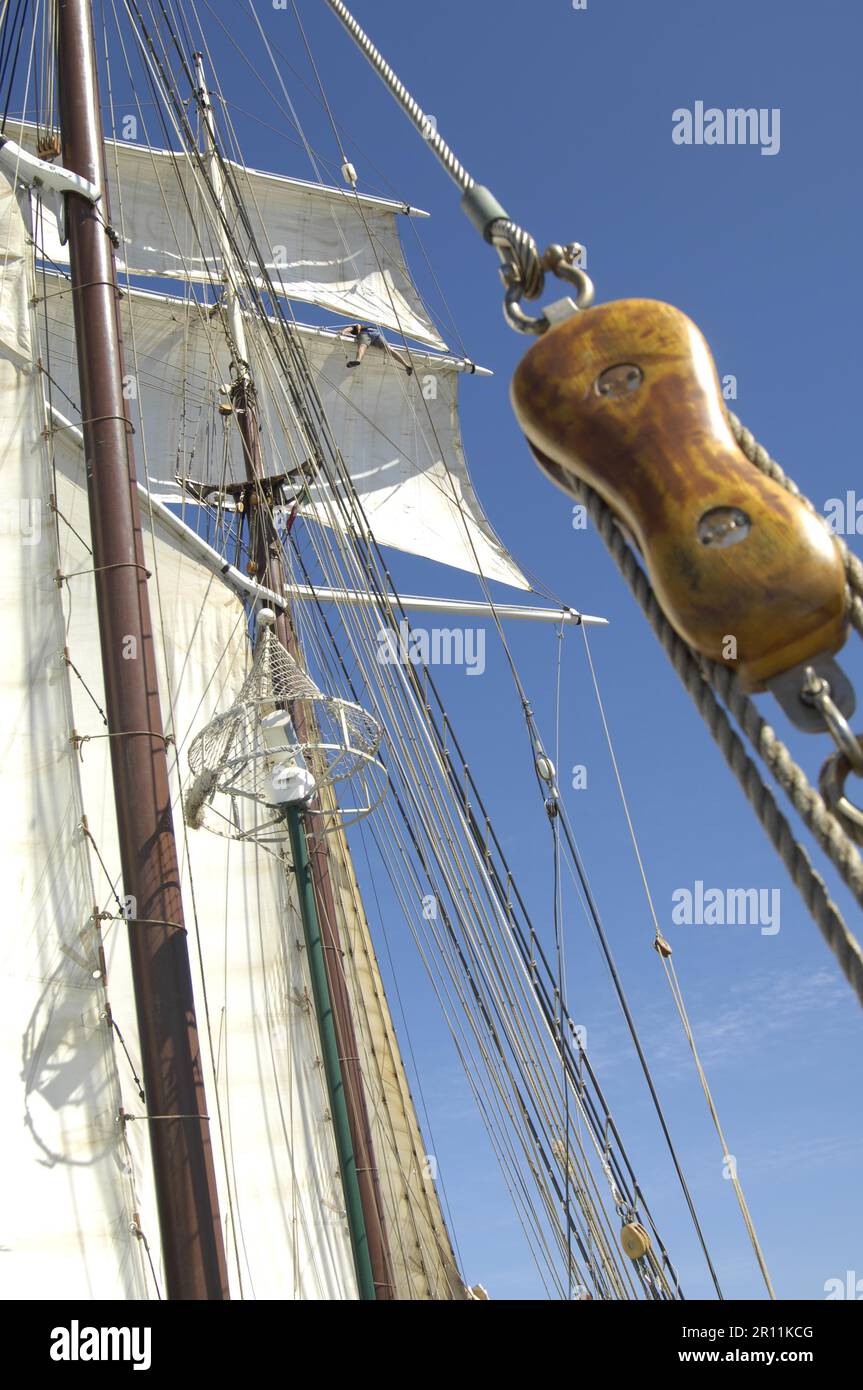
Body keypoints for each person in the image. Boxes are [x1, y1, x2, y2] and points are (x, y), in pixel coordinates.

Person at [340, 322, 413, 375]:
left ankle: (358, 360)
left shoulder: (357, 326)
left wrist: (343, 332)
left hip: (366, 333)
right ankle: (406, 365)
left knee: (363, 345)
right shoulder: (364, 327)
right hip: (376, 334)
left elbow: (349, 328)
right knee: (389, 349)